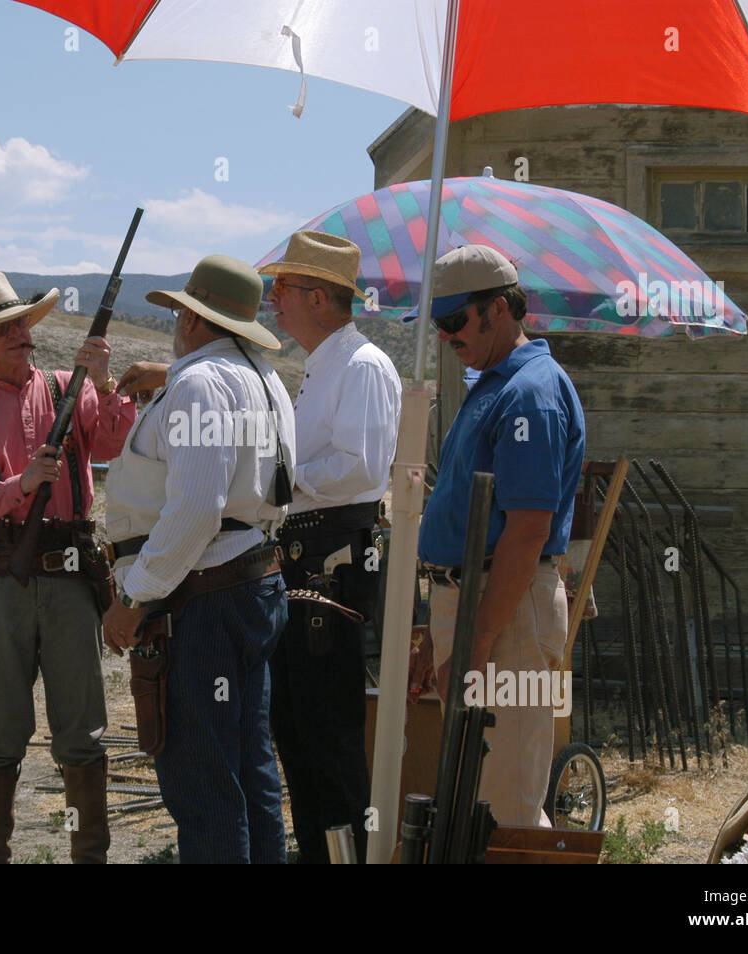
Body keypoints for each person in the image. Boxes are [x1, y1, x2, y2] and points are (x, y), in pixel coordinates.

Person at [0, 272, 135, 863]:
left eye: (21, 323)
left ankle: (87, 855)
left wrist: (104, 379)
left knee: (82, 733)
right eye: (4, 329)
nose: (21, 334)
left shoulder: (71, 386)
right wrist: (18, 486)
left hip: (72, 579)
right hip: (2, 581)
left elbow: (115, 442)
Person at [102, 255, 297, 863]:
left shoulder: (199, 384)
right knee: (247, 764)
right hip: (246, 582)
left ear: (191, 317)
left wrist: (136, 598)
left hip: (203, 594)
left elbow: (196, 510)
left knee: (204, 778)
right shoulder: (265, 380)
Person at [418, 245, 585, 828]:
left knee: (507, 805)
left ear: (498, 310)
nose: (444, 336)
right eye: (438, 323)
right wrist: (442, 628)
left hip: (502, 609)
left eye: (453, 321)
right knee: (481, 796)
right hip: (481, 606)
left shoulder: (528, 394)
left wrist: (476, 639)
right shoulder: (497, 383)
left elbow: (528, 531)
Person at [257, 230, 401, 863]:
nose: (273, 301)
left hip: (329, 571)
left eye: (282, 289)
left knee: (329, 739)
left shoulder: (361, 365)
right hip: (306, 566)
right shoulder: (328, 365)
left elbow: (362, 466)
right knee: (298, 732)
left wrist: (278, 480)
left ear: (317, 297)